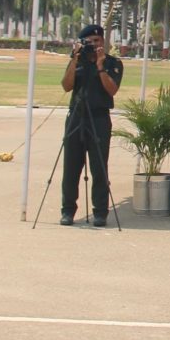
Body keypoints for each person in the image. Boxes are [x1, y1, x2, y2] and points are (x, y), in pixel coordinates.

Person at [60, 23, 124, 227]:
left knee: (99, 167)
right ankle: (68, 211)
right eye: (89, 42)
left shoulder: (113, 63)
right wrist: (74, 58)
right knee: (71, 166)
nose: (94, 45)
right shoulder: (76, 62)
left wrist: (100, 67)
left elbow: (112, 90)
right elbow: (66, 85)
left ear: (103, 42)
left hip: (98, 118)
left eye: (97, 41)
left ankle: (100, 212)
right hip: (76, 117)